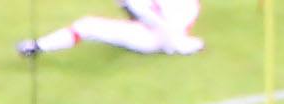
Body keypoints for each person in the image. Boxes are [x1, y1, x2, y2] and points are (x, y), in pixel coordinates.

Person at [18, 0, 202, 56]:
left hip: (155, 37)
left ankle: (37, 47)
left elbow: (159, 22)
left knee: (87, 25)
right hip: (168, 28)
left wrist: (176, 44)